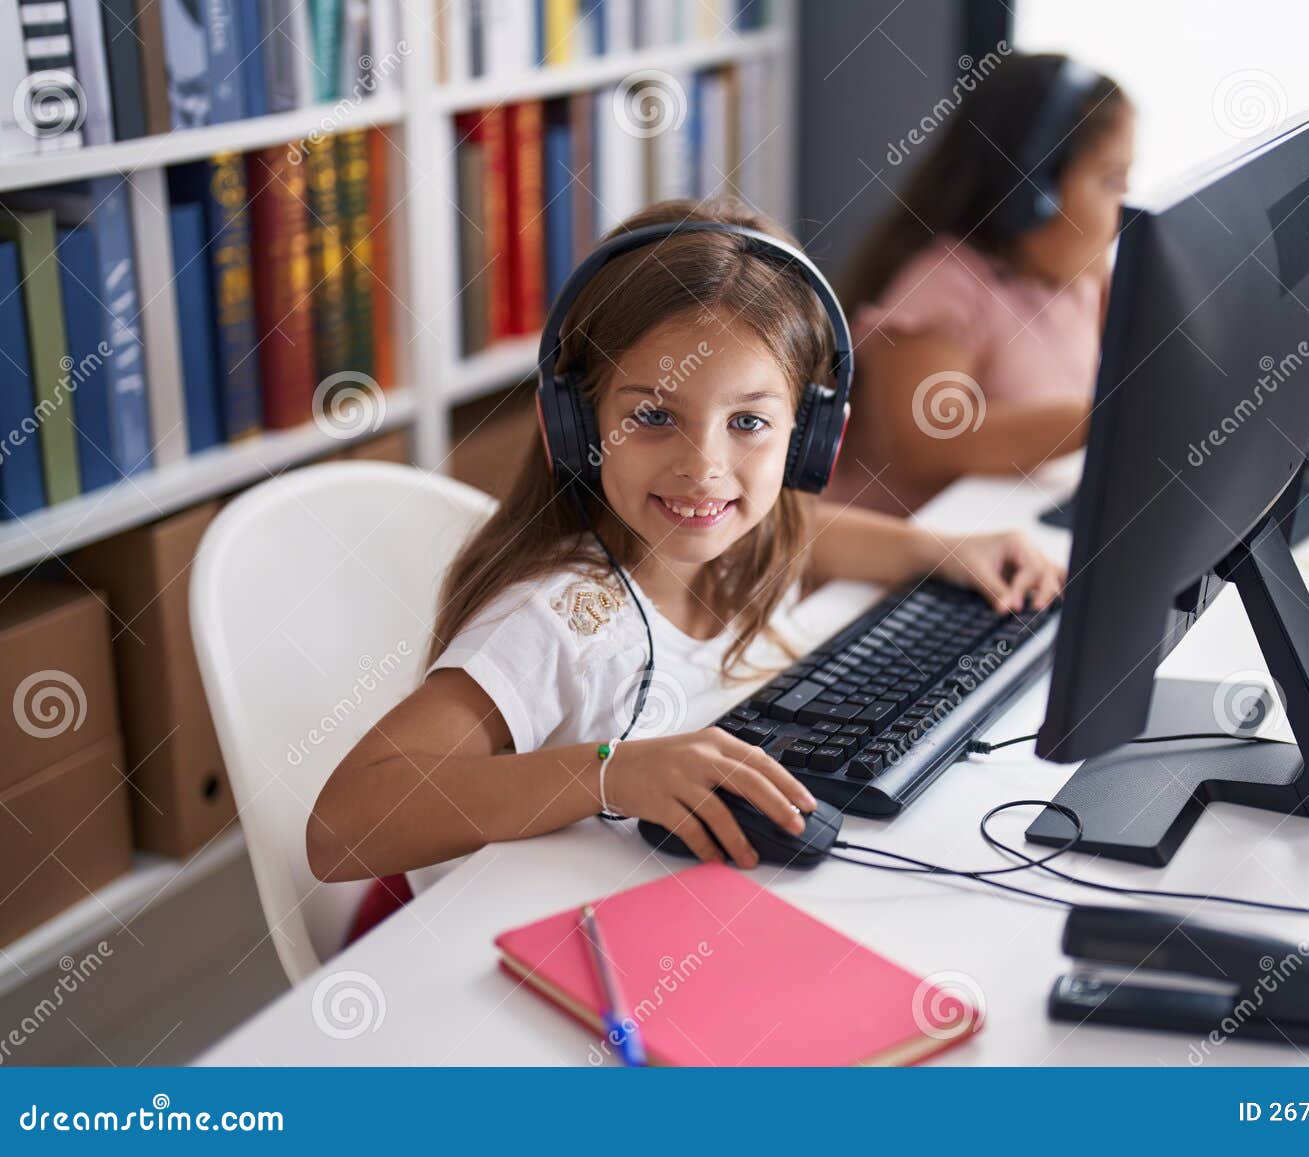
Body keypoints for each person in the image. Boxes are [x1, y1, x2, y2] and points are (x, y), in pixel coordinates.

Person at [306, 198, 1065, 887]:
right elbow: (342, 828)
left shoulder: (738, 538)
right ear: (573, 424)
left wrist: (938, 549)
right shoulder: (563, 617)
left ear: (807, 438)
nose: (704, 471)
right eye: (654, 416)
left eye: (748, 423)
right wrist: (613, 774)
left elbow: (807, 536)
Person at [832, 53, 1134, 514]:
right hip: (896, 566)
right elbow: (925, 445)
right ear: (1036, 194)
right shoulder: (944, 288)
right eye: (1112, 180)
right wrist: (1111, 416)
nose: (1126, 202)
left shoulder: (1080, 279)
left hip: (1000, 531)